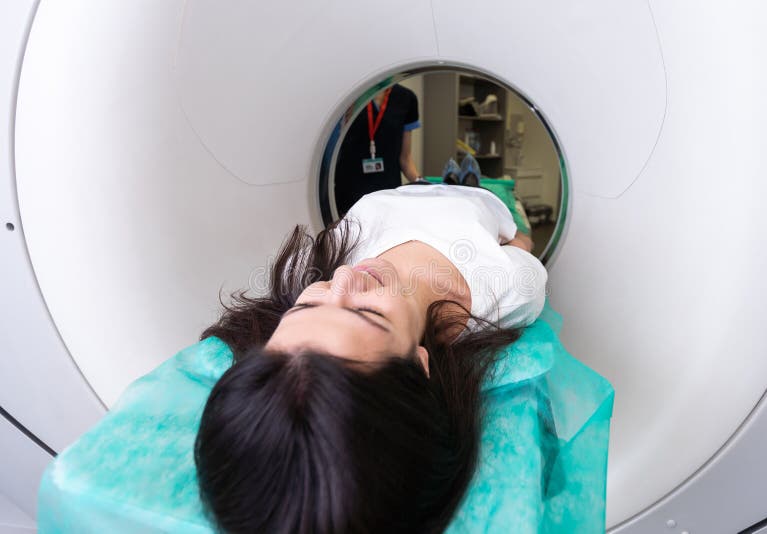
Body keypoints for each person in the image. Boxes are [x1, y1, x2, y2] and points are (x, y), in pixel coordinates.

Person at [194, 183, 546, 533]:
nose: (345, 275)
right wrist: (517, 236)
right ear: (420, 365)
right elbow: (521, 247)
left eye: (308, 305)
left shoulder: (302, 271)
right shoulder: (510, 288)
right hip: (483, 203)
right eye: (369, 314)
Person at [334, 84, 422, 214]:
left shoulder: (406, 98)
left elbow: (405, 159)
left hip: (388, 196)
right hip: (349, 195)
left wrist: (422, 183)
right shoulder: (349, 94)